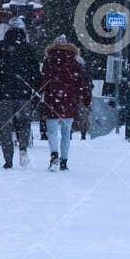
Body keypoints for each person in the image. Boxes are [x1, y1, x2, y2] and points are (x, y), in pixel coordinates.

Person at [0, 23, 40, 169]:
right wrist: (35, 90)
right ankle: (23, 149)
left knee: (5, 127)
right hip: (24, 95)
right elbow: (36, 73)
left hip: (4, 95)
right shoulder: (28, 49)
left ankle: (8, 159)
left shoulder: (0, 47)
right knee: (24, 124)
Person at [39, 34, 87, 171]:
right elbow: (80, 83)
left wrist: (41, 92)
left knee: (52, 132)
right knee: (66, 134)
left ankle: (54, 155)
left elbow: (43, 82)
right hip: (69, 101)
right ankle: (64, 161)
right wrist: (82, 96)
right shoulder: (75, 62)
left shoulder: (48, 61)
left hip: (52, 100)